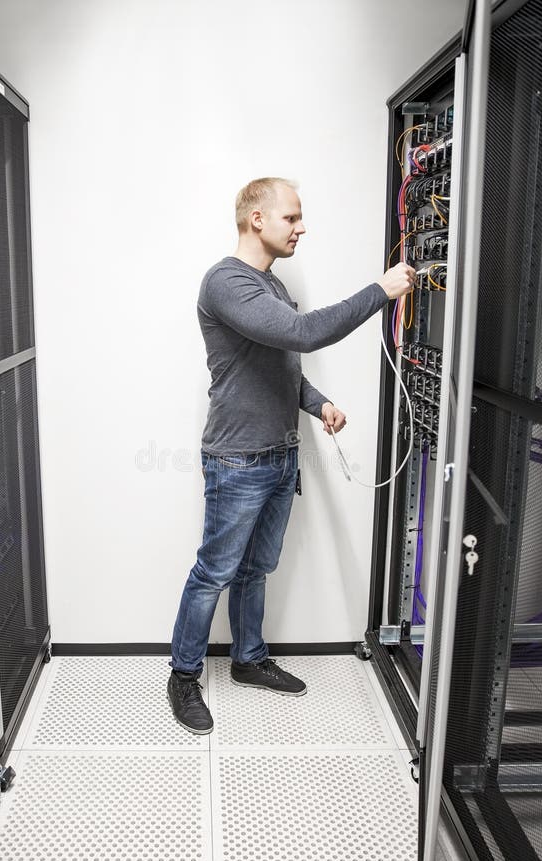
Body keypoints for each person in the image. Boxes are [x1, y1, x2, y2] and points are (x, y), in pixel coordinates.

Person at [167, 177, 415, 734]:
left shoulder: (271, 286)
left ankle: (249, 659)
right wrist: (379, 291)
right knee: (214, 572)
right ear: (257, 219)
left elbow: (282, 366)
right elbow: (303, 335)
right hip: (237, 459)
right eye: (292, 217)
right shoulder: (226, 282)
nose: (302, 228)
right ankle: (183, 676)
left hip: (280, 454)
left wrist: (318, 402)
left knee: (256, 569)